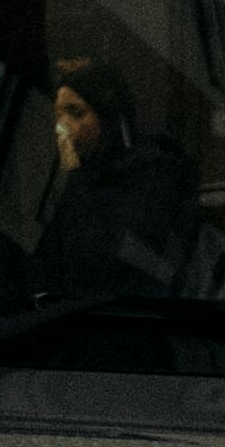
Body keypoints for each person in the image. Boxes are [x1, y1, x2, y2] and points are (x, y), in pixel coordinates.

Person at [38, 54, 196, 300]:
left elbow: (108, 249)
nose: (62, 127)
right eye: (59, 115)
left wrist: (75, 175)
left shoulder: (153, 172)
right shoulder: (84, 178)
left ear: (108, 117)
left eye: (75, 113)